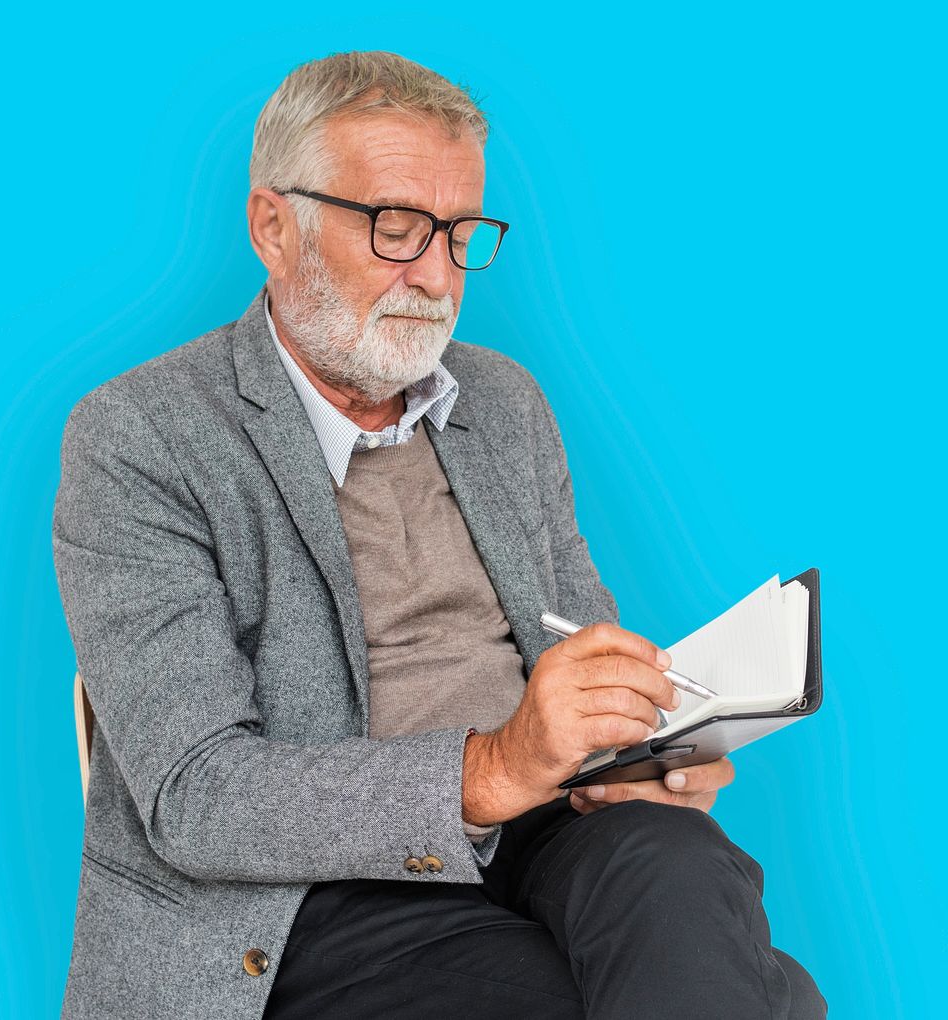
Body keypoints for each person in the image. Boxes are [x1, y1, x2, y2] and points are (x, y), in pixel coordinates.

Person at [52, 50, 826, 1019]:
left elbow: (575, 645)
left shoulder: (502, 402)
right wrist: (494, 767)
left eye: (460, 232)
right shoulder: (142, 436)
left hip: (546, 833)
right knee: (754, 994)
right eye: (393, 227)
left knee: (680, 861)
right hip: (307, 889)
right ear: (272, 226)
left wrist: (639, 749)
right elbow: (197, 797)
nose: (435, 272)